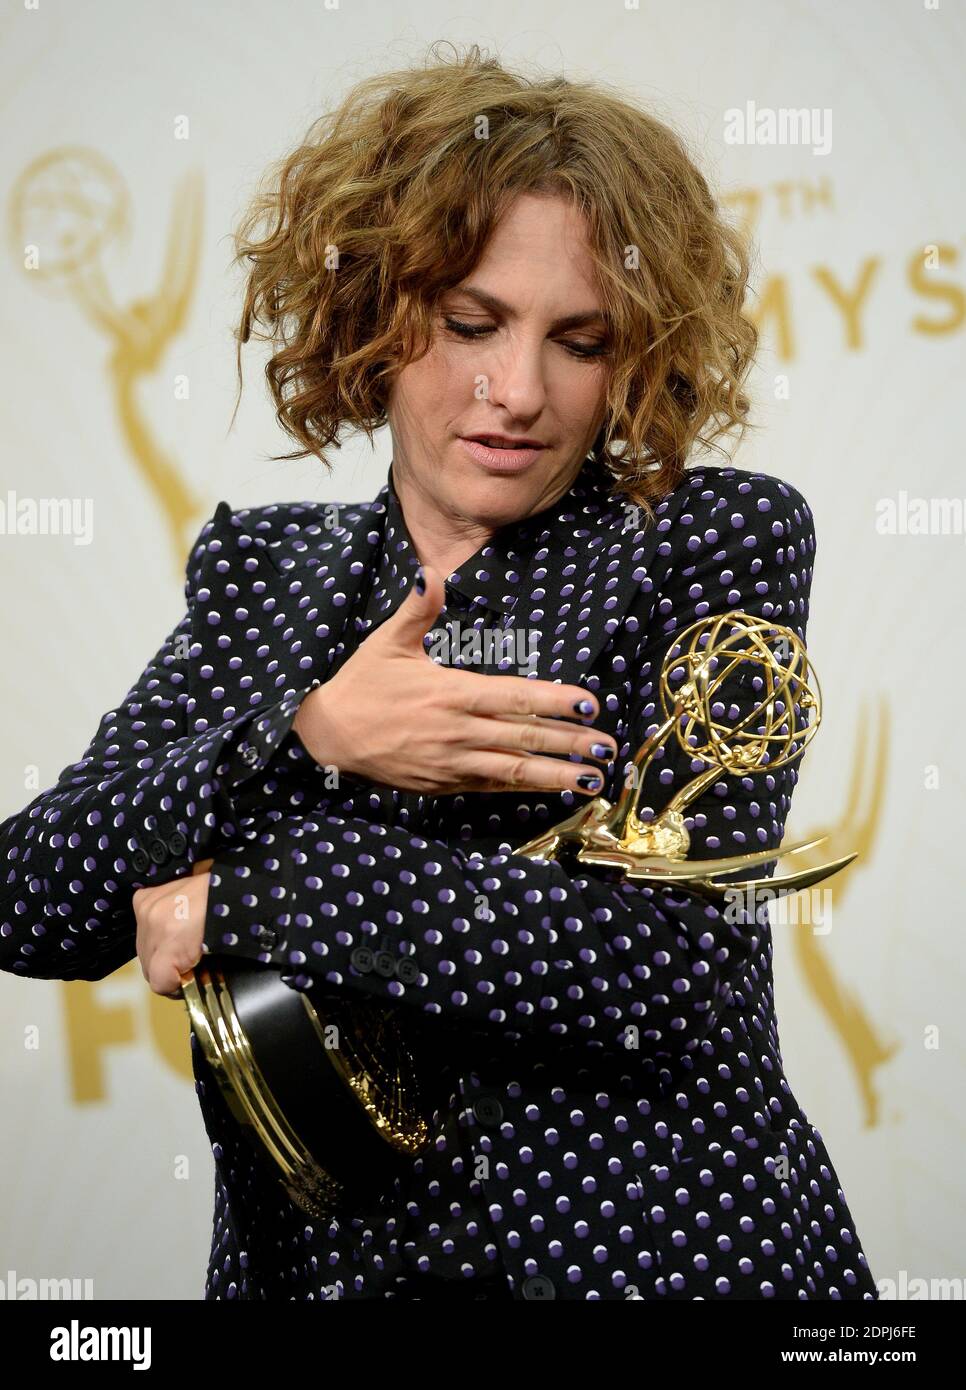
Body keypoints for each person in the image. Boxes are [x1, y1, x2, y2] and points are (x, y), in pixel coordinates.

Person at [0, 43, 878, 1300]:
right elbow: (30, 895)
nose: (515, 391)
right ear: (375, 312)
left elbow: (669, 972)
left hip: (658, 1266)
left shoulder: (703, 538)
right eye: (472, 323)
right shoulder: (268, 575)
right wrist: (308, 736)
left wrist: (253, 890)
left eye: (580, 342)